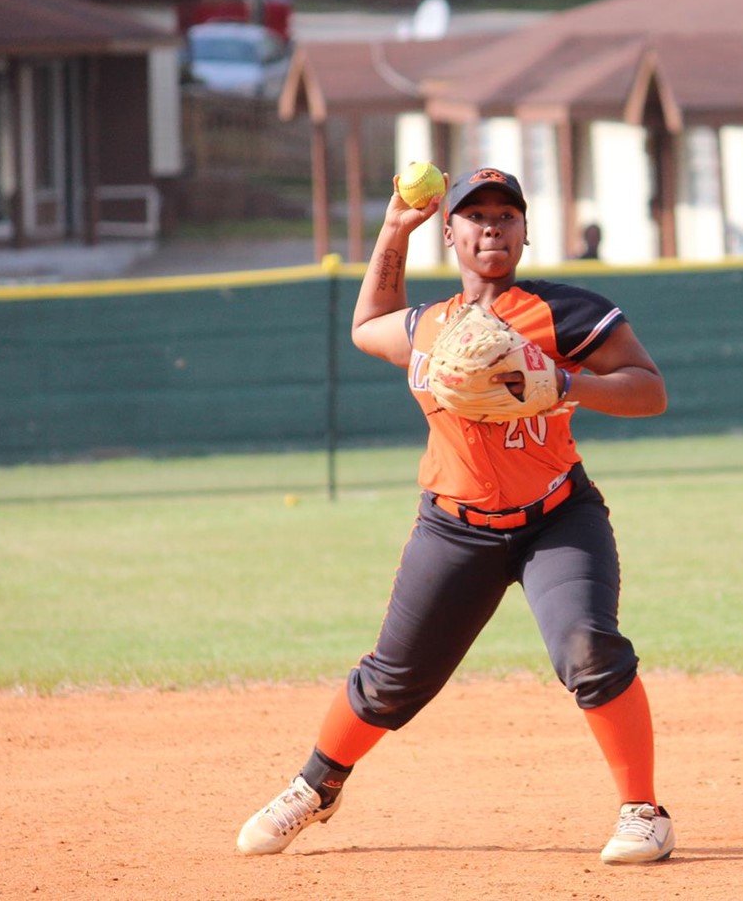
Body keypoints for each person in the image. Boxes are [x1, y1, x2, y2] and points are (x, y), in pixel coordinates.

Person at [235, 167, 675, 865]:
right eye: (475, 215)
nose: (491, 226)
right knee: (389, 681)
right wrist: (391, 232)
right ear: (452, 232)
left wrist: (567, 382)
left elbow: (649, 392)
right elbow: (368, 325)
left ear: (526, 233)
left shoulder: (565, 312)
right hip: (454, 528)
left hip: (556, 520)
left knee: (589, 649)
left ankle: (643, 812)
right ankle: (315, 787)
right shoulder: (430, 325)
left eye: (506, 215)